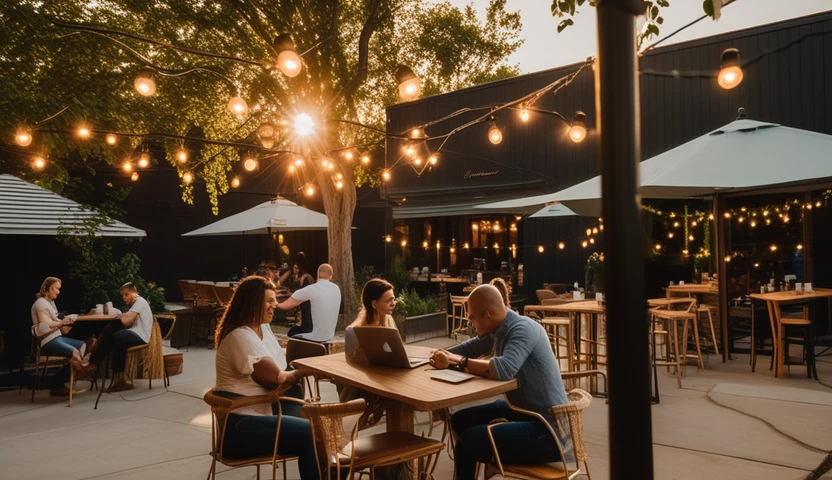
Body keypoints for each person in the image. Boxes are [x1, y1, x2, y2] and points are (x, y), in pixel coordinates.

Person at [429, 284, 570, 480]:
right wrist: (438, 354)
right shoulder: (499, 330)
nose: (470, 323)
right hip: (524, 410)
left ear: (487, 315)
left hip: (548, 431)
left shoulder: (522, 329)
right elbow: (468, 348)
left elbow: (504, 369)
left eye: (472, 317)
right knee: (460, 420)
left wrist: (456, 362)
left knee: (470, 439)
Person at [212, 275, 318, 480]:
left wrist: (295, 373)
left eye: (274, 300)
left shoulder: (262, 329)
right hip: (240, 428)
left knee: (322, 427)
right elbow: (275, 378)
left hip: (264, 412)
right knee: (312, 433)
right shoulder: (239, 336)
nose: (275, 305)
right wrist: (307, 369)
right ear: (252, 303)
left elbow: (282, 369)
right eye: (269, 301)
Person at [339, 278, 397, 429]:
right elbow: (348, 373)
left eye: (394, 299)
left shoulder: (389, 323)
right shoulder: (354, 332)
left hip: (387, 383)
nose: (393, 303)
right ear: (374, 304)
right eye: (389, 300)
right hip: (364, 389)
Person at [75, 282, 154, 392]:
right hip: (135, 332)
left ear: (134, 293)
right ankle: (118, 380)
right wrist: (122, 316)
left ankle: (93, 361)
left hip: (141, 336)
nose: (124, 298)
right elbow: (127, 321)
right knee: (114, 333)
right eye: (122, 295)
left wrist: (121, 316)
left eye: (126, 294)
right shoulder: (136, 303)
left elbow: (126, 321)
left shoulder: (139, 302)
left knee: (115, 337)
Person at [31, 277, 85, 396]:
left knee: (83, 346)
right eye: (56, 289)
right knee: (76, 352)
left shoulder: (51, 303)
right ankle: (56, 383)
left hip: (56, 337)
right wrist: (63, 322)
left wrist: (69, 323)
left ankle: (58, 383)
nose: (58, 292)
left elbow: (63, 331)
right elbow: (47, 325)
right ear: (46, 289)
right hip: (47, 341)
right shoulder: (41, 304)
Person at [277, 264, 341, 341]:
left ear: (318, 275)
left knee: (292, 332)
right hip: (329, 336)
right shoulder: (336, 289)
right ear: (331, 276)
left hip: (314, 335)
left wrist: (272, 302)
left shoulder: (311, 289)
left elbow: (284, 306)